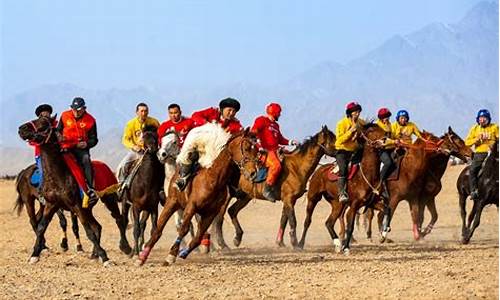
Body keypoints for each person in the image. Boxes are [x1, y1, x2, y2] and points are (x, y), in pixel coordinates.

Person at [176, 97, 243, 190]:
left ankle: (233, 187)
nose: (231, 113)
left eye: (234, 111)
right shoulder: (212, 112)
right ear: (222, 109)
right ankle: (183, 178)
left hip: (216, 152)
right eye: (229, 110)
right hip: (201, 145)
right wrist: (208, 125)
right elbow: (195, 115)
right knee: (191, 155)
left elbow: (239, 135)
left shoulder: (236, 125)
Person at [251, 103, 297, 202]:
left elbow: (280, 139)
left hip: (276, 150)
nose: (279, 115)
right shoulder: (261, 120)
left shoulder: (276, 125)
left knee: (293, 158)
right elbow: (253, 133)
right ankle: (267, 189)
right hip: (265, 152)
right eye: (279, 113)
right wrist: (259, 146)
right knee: (276, 166)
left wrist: (290, 142)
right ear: (274, 112)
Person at [57, 97, 98, 202]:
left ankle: (90, 188)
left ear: (84, 108)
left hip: (80, 149)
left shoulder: (91, 120)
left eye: (78, 110)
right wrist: (59, 136)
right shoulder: (64, 115)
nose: (76, 112)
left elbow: (94, 139)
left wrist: (87, 144)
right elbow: (57, 130)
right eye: (74, 109)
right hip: (65, 147)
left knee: (86, 160)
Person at [116, 102, 160, 183]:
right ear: (137, 112)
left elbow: (159, 136)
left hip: (152, 151)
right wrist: (134, 146)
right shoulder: (131, 124)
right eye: (142, 111)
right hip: (137, 152)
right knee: (122, 166)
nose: (144, 113)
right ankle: (121, 186)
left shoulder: (154, 122)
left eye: (146, 111)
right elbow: (125, 140)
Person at [464, 109, 499, 200]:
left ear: (488, 119)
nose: (482, 120)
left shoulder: (494, 127)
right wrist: (476, 139)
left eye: (484, 118)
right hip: (480, 153)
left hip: (494, 153)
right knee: (472, 170)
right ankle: (474, 191)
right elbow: (467, 143)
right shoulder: (474, 129)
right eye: (480, 118)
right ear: (478, 119)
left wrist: (494, 143)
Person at [334, 101, 365, 203]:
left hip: (355, 150)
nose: (357, 113)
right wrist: (350, 132)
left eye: (358, 110)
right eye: (354, 111)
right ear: (350, 112)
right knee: (343, 169)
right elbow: (339, 140)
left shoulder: (361, 122)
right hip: (342, 151)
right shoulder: (342, 123)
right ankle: (341, 193)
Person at [29, 104, 56, 203]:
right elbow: (31, 141)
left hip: (56, 153)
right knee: (43, 172)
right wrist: (39, 140)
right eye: (43, 113)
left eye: (47, 112)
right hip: (41, 154)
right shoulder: (36, 126)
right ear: (40, 115)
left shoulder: (55, 123)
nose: (46, 114)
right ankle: (41, 193)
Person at [375, 107, 396, 199]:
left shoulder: (389, 125)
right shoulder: (377, 126)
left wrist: (397, 140)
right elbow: (382, 141)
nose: (386, 118)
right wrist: (393, 142)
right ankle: (381, 182)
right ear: (380, 117)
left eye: (387, 116)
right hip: (380, 150)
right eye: (384, 117)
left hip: (390, 148)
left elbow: (392, 136)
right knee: (388, 162)